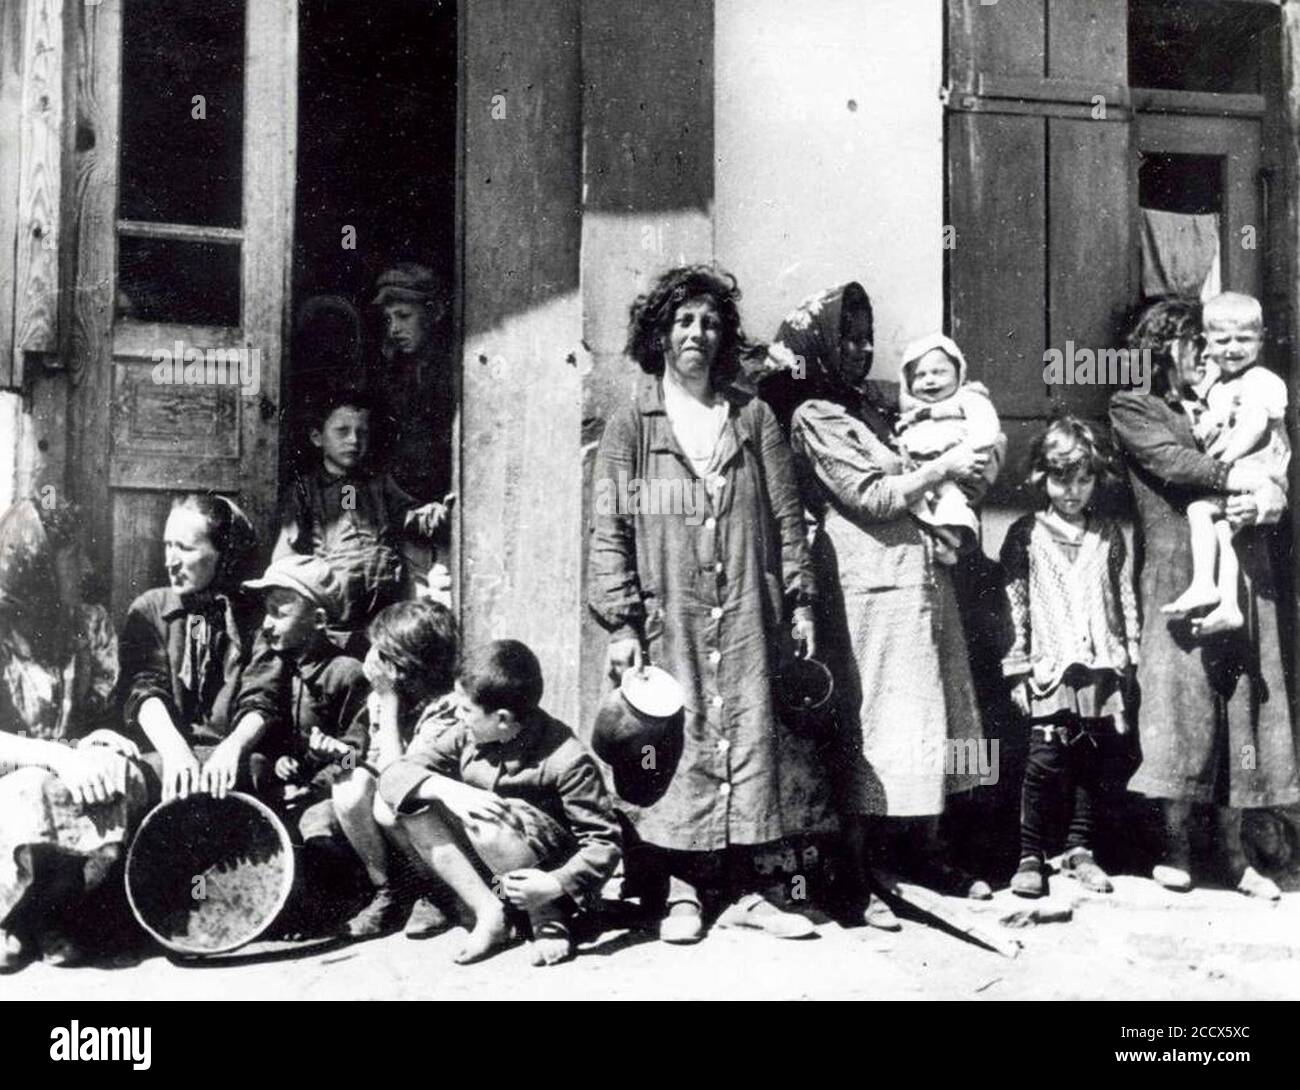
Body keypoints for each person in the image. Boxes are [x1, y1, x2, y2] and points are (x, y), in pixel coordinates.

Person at [589, 265, 837, 945]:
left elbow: (789, 520)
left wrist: (802, 601)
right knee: (679, 739)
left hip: (748, 608)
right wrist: (621, 621)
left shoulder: (752, 417)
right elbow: (608, 529)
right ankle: (681, 892)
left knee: (751, 735)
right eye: (683, 321)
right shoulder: (632, 424)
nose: (697, 333)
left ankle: (752, 891)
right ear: (661, 335)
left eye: (709, 322)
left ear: (724, 336)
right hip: (669, 608)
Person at [764, 282, 994, 928]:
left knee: (932, 718)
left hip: (919, 577)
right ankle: (859, 874)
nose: (863, 350)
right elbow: (869, 495)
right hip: (868, 584)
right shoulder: (817, 416)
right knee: (879, 721)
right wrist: (946, 465)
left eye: (868, 338)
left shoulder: (874, 406)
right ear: (819, 348)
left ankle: (923, 853)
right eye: (848, 339)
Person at [1110, 298, 1296, 900]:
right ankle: (1177, 846)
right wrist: (1239, 478)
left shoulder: (1236, 391)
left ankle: (1237, 854)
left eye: (1218, 343)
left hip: (1243, 568)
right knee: (1178, 706)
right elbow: (1173, 462)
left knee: (1241, 704)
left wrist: (1267, 498)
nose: (1212, 353)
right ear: (1168, 346)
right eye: (1200, 342)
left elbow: (1279, 465)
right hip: (1177, 573)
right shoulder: (1134, 406)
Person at [379, 639, 621, 967]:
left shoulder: (568, 758)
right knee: (410, 807)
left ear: (503, 719)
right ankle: (490, 914)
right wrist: (446, 789)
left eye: (465, 709)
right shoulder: (468, 734)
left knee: (485, 820)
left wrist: (555, 884)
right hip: (490, 862)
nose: (457, 716)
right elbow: (394, 774)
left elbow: (603, 843)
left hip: (545, 873)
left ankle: (546, 918)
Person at [0, 498, 149, 971]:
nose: (84, 568)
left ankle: (50, 913)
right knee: (30, 790)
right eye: (71, 558)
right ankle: (9, 915)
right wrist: (57, 756)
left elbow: (86, 720)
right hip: (9, 772)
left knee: (113, 777)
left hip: (56, 763)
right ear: (36, 567)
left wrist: (95, 741)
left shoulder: (88, 624)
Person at [1000, 418, 1139, 898]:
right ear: (1043, 477)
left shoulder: (1107, 534)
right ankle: (1029, 853)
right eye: (1062, 479)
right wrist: (1017, 667)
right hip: (1048, 668)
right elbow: (1013, 604)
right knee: (1045, 757)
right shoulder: (1026, 533)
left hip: (1099, 666)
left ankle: (1080, 849)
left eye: (1084, 479)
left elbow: (1123, 598)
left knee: (1091, 758)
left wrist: (1127, 658)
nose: (1072, 491)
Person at [241, 554, 403, 939]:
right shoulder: (277, 670)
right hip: (290, 791)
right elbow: (276, 737)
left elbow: (359, 754)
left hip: (333, 795)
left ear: (317, 621)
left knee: (316, 828)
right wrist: (282, 761)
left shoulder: (345, 673)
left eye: (279, 613)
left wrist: (331, 762)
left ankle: (360, 898)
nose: (267, 624)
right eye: (266, 612)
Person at [120, 493, 280, 801]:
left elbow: (263, 697)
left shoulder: (256, 616)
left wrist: (232, 748)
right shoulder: (150, 609)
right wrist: (176, 753)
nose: (171, 561)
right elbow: (143, 689)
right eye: (168, 545)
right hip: (165, 755)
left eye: (185, 548)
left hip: (234, 760)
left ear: (224, 553)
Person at [273, 387, 451, 652]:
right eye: (342, 431)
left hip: (385, 608)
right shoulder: (305, 491)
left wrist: (444, 512)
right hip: (336, 616)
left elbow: (413, 517)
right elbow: (285, 558)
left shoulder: (378, 484)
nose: (354, 440)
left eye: (362, 432)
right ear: (317, 437)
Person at [1162, 292, 1290, 637]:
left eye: (1244, 339)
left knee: (1202, 513)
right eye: (1223, 340)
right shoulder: (1217, 386)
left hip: (1255, 470)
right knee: (1222, 527)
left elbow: (1256, 424)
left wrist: (1225, 459)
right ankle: (1227, 603)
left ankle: (1207, 584)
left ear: (1261, 339)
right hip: (1239, 475)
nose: (1233, 348)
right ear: (1207, 342)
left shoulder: (1260, 381)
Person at [358, 599, 463, 941]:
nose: (372, 662)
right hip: (412, 816)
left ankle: (442, 891)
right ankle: (389, 891)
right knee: (349, 791)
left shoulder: (447, 707)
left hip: (444, 818)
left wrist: (388, 703)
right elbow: (375, 762)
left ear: (405, 666)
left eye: (382, 654)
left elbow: (397, 779)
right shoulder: (384, 697)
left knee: (387, 810)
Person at [894, 333, 1002, 561]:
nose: (929, 380)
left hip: (959, 467)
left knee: (953, 503)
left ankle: (952, 539)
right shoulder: (911, 413)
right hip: (922, 471)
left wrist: (973, 451)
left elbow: (986, 426)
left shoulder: (968, 398)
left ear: (959, 373)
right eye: (919, 376)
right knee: (916, 507)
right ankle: (934, 538)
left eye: (939, 372)